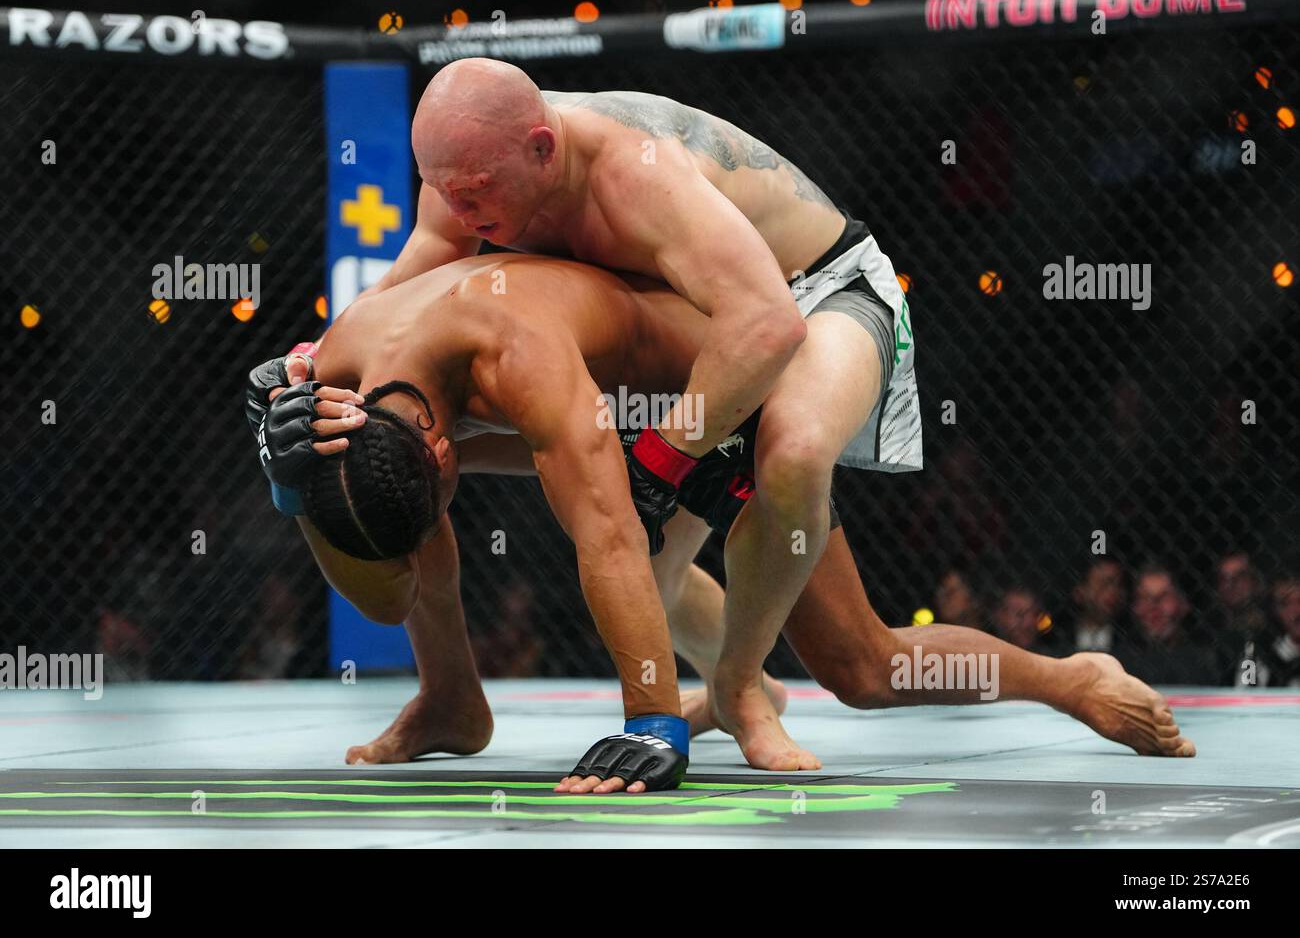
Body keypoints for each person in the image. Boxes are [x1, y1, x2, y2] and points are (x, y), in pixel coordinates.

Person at [249, 254, 1194, 797]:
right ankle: (455, 698)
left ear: (444, 454)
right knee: (436, 521)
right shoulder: (332, 384)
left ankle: (1067, 680)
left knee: (860, 667)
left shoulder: (518, 359)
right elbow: (388, 576)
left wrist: (651, 721)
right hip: (598, 411)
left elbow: (609, 534)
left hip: (720, 403)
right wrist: (293, 492)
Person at [252, 57, 921, 771]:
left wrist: (664, 456)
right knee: (391, 460)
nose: (465, 212)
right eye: (445, 192)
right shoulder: (470, 166)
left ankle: (738, 684)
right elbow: (428, 252)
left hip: (811, 296)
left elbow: (767, 325)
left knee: (825, 573)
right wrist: (306, 379)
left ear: (543, 148)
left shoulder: (634, 178)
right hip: (683, 340)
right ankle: (451, 693)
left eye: (476, 194)